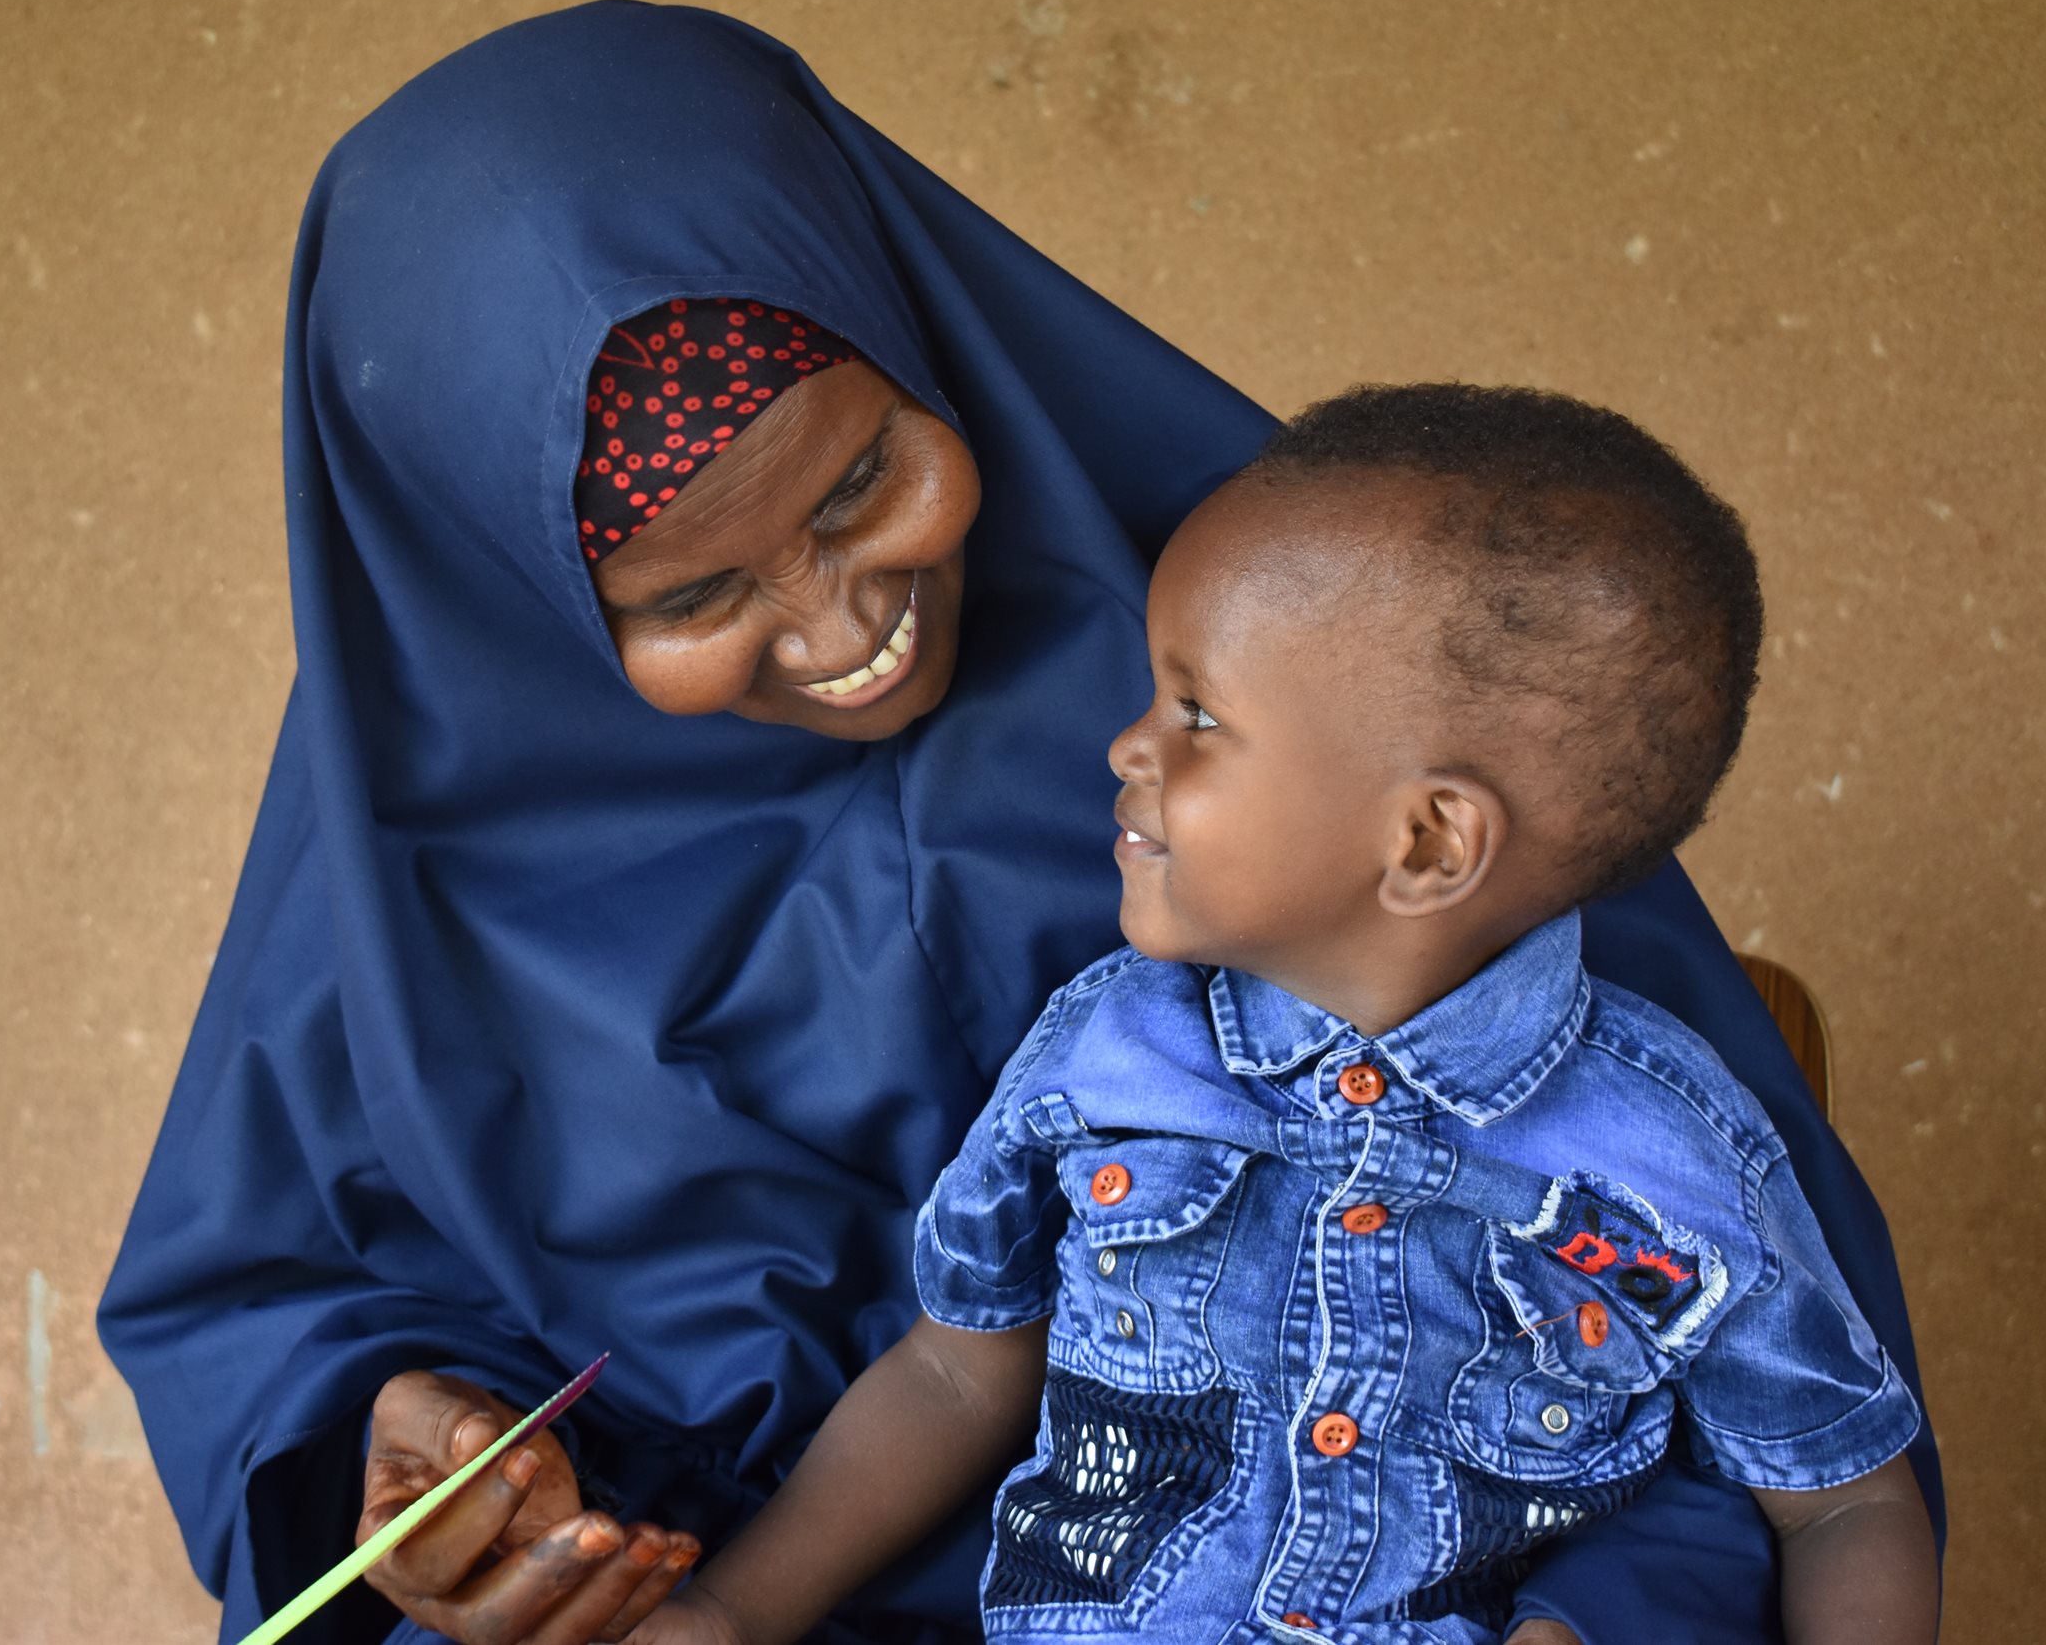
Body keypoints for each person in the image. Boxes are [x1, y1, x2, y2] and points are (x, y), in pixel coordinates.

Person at [96, 1, 1942, 1645]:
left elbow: (1754, 1399)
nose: (839, 632)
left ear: (907, 322)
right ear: (500, 590)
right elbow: (277, 1300)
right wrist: (423, 1456)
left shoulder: (1324, 647)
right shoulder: (411, 850)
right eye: (685, 604)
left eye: (863, 485)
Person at [617, 385, 1939, 1645]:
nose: (1130, 748)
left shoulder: (1673, 1160)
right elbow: (956, 1375)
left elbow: (1846, 1501)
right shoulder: (1102, 1058)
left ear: (1427, 843)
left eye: (1196, 714)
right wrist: (732, 1617)